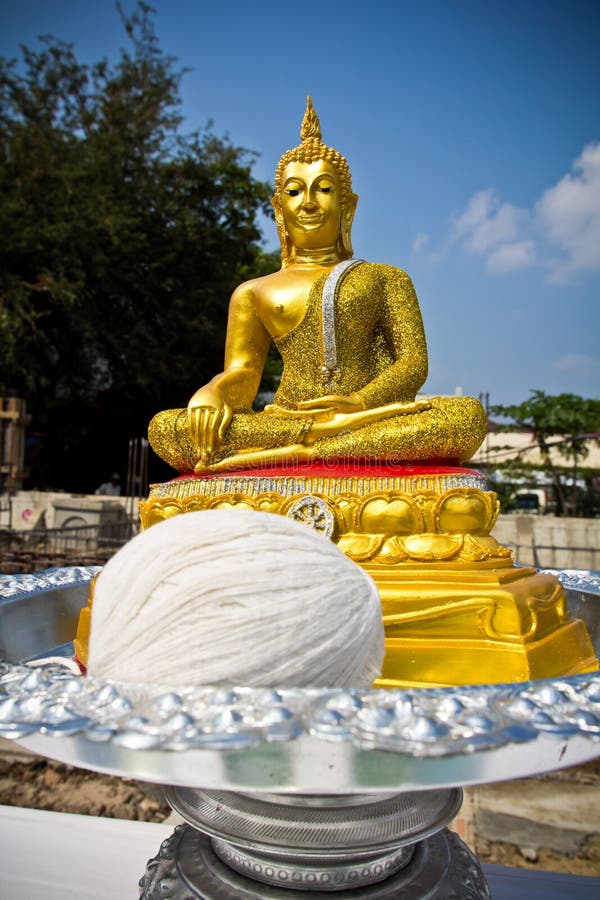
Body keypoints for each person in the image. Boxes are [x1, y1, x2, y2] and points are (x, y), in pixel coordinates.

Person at [149, 99, 487, 474]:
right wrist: (211, 394)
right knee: (168, 428)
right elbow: (243, 373)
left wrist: (358, 403)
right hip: (286, 419)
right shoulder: (255, 292)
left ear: (348, 206)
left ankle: (305, 449)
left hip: (368, 417)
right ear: (279, 209)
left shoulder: (386, 278)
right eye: (294, 192)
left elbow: (412, 364)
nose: (307, 203)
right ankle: (321, 443)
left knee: (464, 417)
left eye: (323, 189)